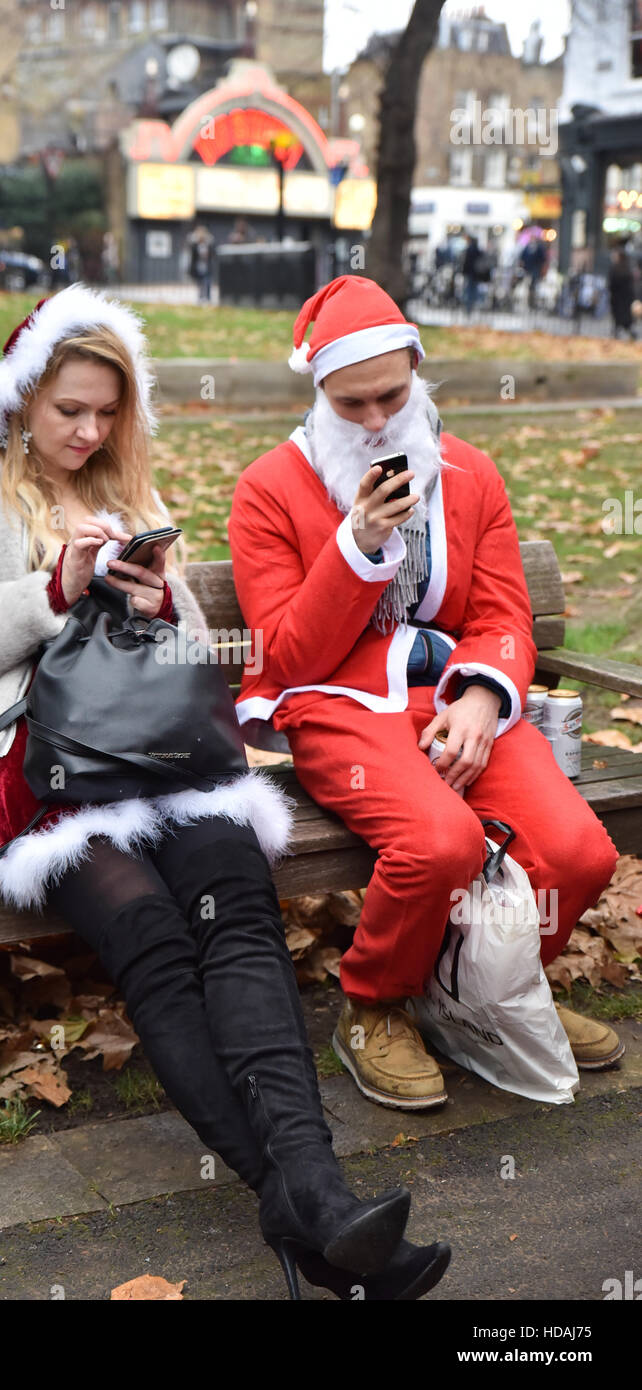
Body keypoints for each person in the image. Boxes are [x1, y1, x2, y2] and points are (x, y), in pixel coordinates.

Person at [0, 283, 450, 1300]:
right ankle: (303, 1207)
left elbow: (192, 665)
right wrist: (46, 593)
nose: (89, 430)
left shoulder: (127, 501)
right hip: (26, 776)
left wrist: (153, 606)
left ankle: (310, 1192)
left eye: (108, 411)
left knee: (234, 901)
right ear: (19, 399)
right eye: (69, 410)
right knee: (146, 925)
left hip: (153, 763)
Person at [228, 275, 622, 1114]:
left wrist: (483, 698)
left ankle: (487, 991)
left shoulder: (470, 477)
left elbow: (504, 613)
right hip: (335, 705)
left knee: (581, 854)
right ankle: (373, 1005)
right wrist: (359, 544)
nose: (374, 421)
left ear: (417, 368)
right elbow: (289, 654)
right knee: (438, 843)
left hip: (452, 697)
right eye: (350, 404)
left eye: (391, 396)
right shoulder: (271, 488)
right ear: (318, 392)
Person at [608, 244, 637, 339]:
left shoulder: (617, 268)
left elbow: (612, 282)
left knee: (621, 318)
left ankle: (621, 332)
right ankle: (622, 332)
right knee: (622, 318)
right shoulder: (626, 268)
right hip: (623, 297)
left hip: (620, 297)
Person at [187, 224, 215, 303]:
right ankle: (200, 297)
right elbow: (192, 255)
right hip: (198, 266)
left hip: (207, 266)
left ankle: (208, 298)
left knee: (207, 281)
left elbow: (213, 253)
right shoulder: (195, 245)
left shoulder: (209, 244)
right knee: (199, 282)